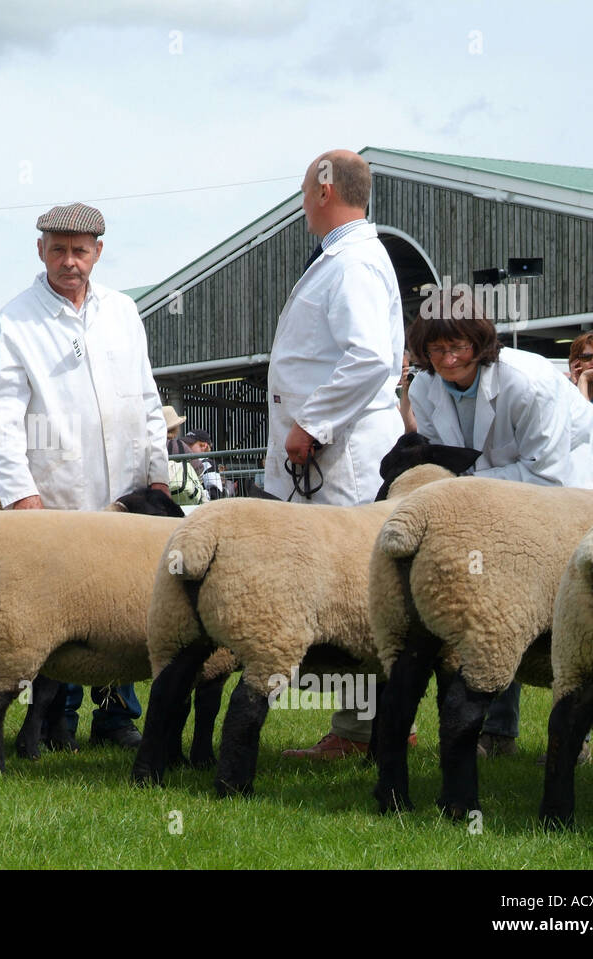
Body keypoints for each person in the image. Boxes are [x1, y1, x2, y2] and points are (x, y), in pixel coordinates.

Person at [0, 202, 169, 749]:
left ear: (99, 253)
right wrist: (20, 492)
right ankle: (53, 718)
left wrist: (157, 474)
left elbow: (147, 396)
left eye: (80, 251)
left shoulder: (122, 310)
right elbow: (0, 414)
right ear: (40, 250)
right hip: (55, 490)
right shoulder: (16, 319)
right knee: (58, 605)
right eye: (59, 249)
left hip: (124, 487)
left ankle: (116, 716)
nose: (70, 261)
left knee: (127, 602)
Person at [406, 291, 593, 761]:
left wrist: (471, 488)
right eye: (436, 349)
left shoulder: (527, 382)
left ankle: (574, 736)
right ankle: (497, 732)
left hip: (569, 490)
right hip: (491, 502)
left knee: (570, 609)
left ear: (480, 342)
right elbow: (447, 461)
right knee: (494, 610)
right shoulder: (424, 387)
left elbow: (547, 473)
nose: (448, 359)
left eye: (458, 346)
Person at [266, 151, 404, 760]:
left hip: (339, 455)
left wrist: (311, 425)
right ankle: (373, 725)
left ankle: (361, 732)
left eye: (304, 187)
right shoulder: (344, 258)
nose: (300, 199)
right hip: (332, 452)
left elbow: (371, 355)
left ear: (324, 189)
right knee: (352, 585)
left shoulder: (351, 262)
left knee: (354, 589)